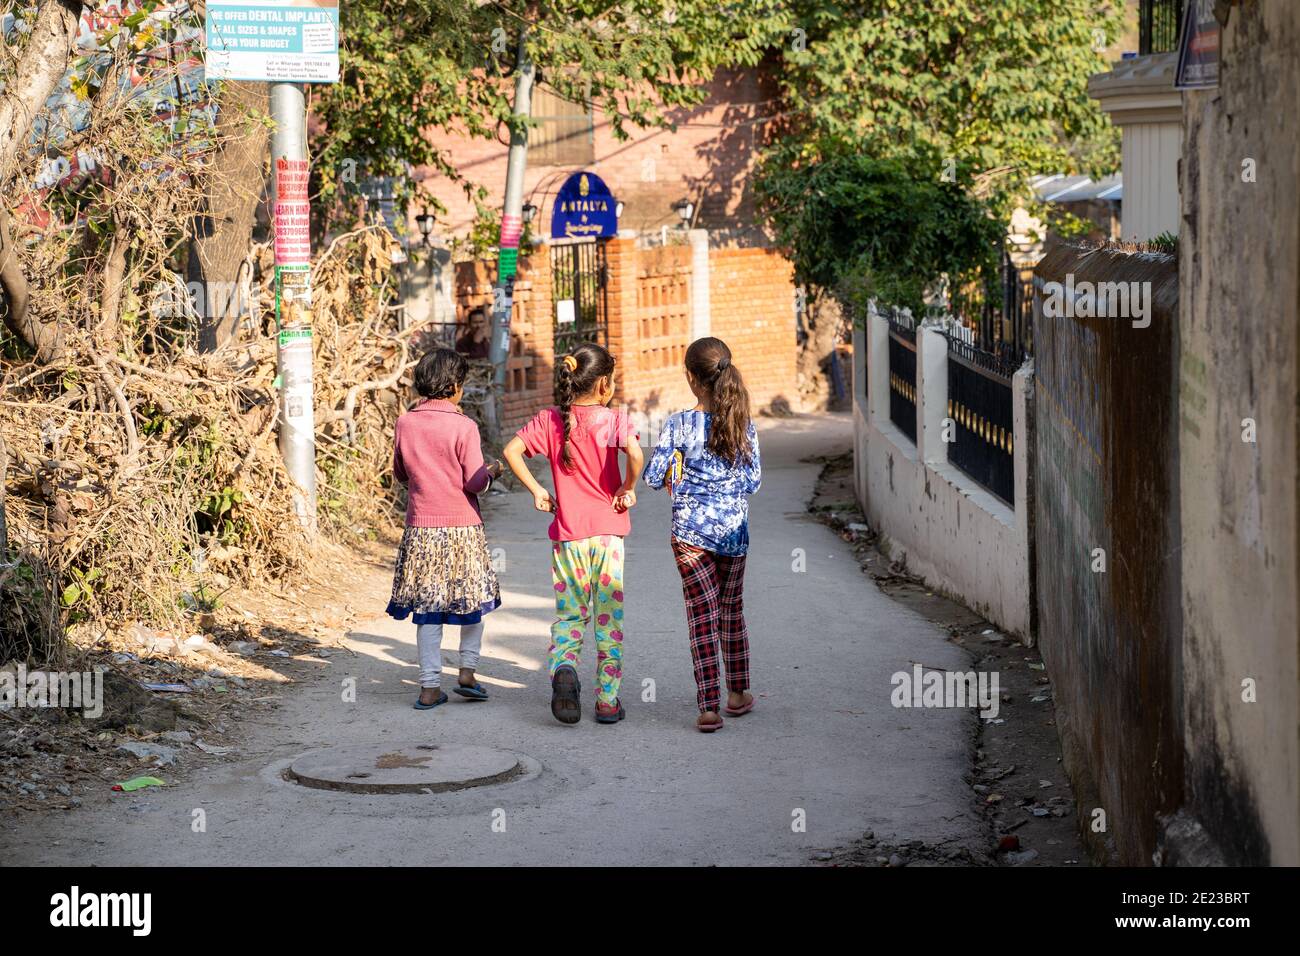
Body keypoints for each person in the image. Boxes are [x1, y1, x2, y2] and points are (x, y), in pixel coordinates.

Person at [502, 342, 643, 725]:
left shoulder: (551, 419)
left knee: (570, 616)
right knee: (608, 620)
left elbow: (511, 450)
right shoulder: (613, 420)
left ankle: (565, 669)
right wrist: (627, 487)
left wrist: (538, 492)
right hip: (608, 536)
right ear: (603, 385)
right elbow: (634, 454)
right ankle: (607, 702)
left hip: (568, 537)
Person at [642, 337, 761, 733]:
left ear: (691, 379)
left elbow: (653, 478)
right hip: (733, 535)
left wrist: (678, 465)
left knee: (701, 618)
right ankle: (738, 693)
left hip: (690, 536)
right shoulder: (744, 425)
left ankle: (708, 707)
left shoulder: (678, 425)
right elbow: (753, 481)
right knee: (732, 612)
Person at [387, 348, 504, 709]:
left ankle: (428, 687)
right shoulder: (464, 426)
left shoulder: (405, 423)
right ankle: (467, 673)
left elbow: (401, 473)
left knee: (428, 609)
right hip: (463, 529)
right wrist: (494, 472)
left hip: (422, 528)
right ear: (454, 386)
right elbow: (475, 482)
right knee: (474, 602)